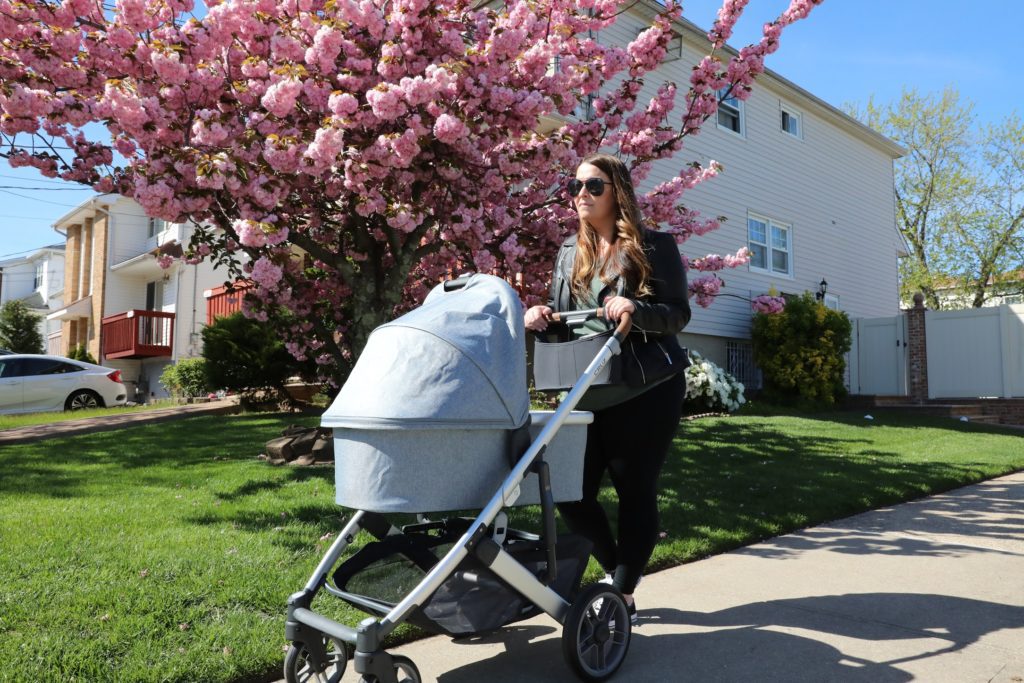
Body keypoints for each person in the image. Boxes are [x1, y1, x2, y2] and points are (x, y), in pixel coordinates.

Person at [524, 153, 691, 622]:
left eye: (593, 185)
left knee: (634, 489)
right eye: (575, 185)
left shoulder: (655, 246)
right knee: (572, 495)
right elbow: (564, 323)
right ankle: (618, 575)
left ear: (617, 190)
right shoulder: (566, 254)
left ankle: (620, 590)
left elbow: (677, 313)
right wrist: (540, 318)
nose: (581, 194)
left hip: (644, 389)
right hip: (584, 391)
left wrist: (634, 308)